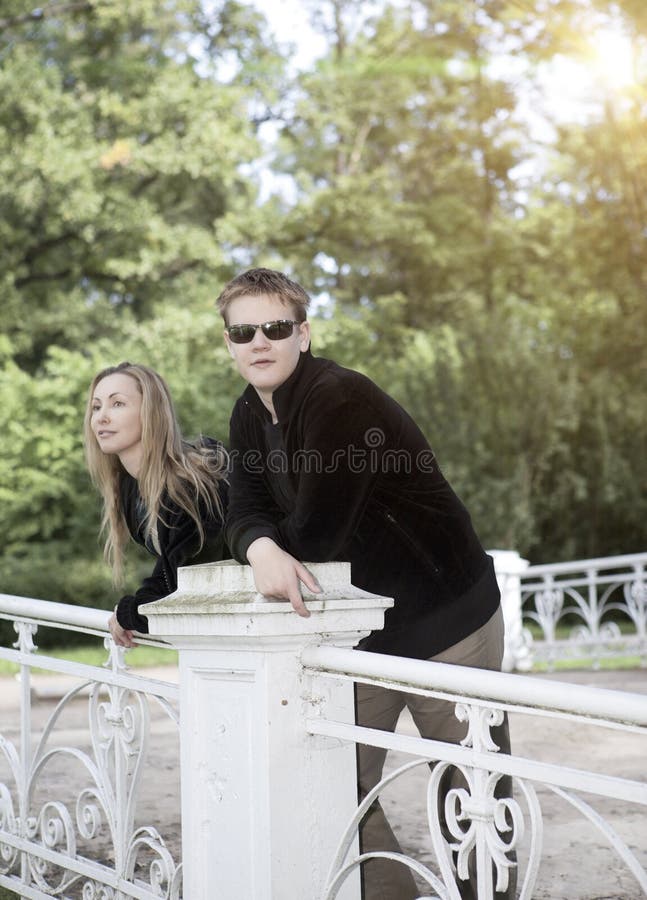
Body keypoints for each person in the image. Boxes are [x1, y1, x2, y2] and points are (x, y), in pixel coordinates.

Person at [217, 268, 513, 899]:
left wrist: (265, 539)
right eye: (244, 331)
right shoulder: (248, 413)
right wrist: (257, 544)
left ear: (304, 333)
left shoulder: (339, 399)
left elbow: (319, 533)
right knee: (331, 790)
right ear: (229, 343)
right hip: (364, 637)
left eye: (275, 327)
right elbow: (241, 507)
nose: (259, 342)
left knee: (470, 795)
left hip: (448, 620)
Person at [84, 362, 229, 648]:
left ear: (150, 412)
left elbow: (188, 590)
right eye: (96, 407)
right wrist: (132, 608)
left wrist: (131, 611)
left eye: (117, 404)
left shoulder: (190, 485)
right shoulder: (130, 487)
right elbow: (170, 566)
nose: (101, 417)